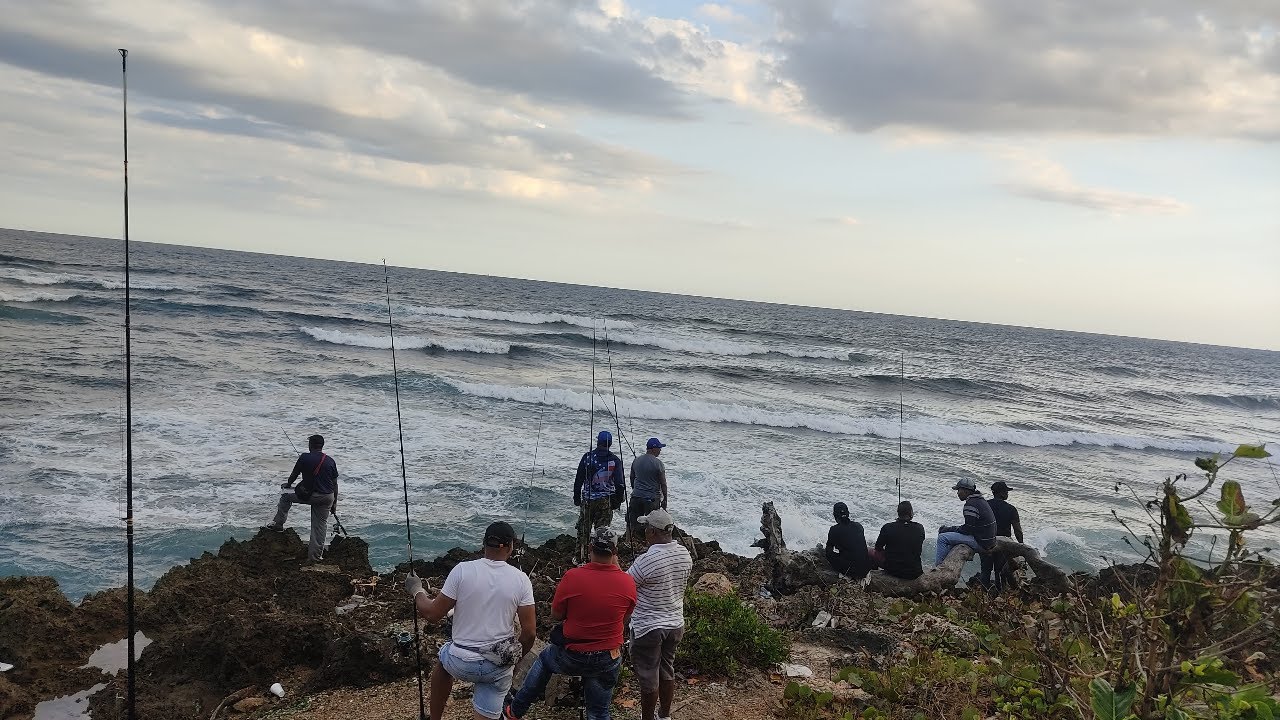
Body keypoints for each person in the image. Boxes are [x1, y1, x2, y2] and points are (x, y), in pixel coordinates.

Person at [406, 521, 536, 720]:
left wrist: (416, 589)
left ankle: (435, 718)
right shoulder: (521, 580)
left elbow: (432, 614)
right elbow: (530, 633)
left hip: (460, 661)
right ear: (511, 546)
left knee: (443, 661)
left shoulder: (462, 570)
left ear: (483, 543)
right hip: (497, 666)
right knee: (493, 692)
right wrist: (515, 659)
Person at [505, 527, 636, 720]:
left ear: (590, 547)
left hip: (573, 655)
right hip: (608, 657)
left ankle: (516, 710)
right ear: (615, 552)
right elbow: (624, 620)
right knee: (599, 712)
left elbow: (556, 615)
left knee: (544, 659)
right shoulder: (628, 582)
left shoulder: (573, 576)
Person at [626, 509, 693, 720]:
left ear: (653, 532)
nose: (645, 531)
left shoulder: (646, 561)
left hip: (648, 627)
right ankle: (664, 716)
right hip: (675, 624)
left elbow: (625, 587)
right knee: (667, 670)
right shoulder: (684, 554)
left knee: (648, 677)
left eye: (647, 527)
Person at [262, 434, 338, 562]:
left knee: (286, 496)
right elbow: (335, 484)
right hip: (327, 497)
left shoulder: (304, 457)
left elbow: (294, 475)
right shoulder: (330, 461)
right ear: (322, 446)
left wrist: (288, 485)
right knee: (319, 527)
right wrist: (334, 504)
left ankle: (278, 524)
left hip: (312, 495)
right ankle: (315, 558)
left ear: (310, 445)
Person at [575, 430, 625, 559]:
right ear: (610, 444)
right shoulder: (615, 460)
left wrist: (576, 498)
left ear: (598, 442)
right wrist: (618, 500)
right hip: (605, 501)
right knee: (602, 533)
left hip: (588, 500)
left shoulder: (587, 457)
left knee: (583, 530)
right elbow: (620, 484)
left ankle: (580, 557)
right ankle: (598, 558)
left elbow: (579, 479)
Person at [935, 478, 998, 575]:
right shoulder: (980, 500)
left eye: (959, 490)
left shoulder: (970, 504)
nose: (957, 493)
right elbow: (970, 527)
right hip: (989, 541)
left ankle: (938, 570)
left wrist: (949, 529)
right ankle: (945, 564)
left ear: (966, 491)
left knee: (942, 538)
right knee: (950, 538)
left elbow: (967, 529)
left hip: (981, 543)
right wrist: (952, 529)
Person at [983, 480, 1025, 588]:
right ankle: (1000, 592)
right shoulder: (1011, 509)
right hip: (1003, 542)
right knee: (999, 570)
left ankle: (984, 591)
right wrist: (1021, 545)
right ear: (1001, 493)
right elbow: (1017, 530)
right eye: (1006, 491)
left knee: (986, 570)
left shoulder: (985, 505)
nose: (1007, 494)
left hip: (986, 541)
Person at [626, 438, 668, 542]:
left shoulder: (636, 460)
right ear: (653, 448)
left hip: (636, 496)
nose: (660, 450)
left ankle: (628, 541)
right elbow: (663, 483)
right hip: (651, 499)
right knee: (653, 524)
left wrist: (635, 489)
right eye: (659, 448)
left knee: (632, 522)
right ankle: (650, 544)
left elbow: (632, 477)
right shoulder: (658, 463)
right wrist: (665, 499)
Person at [874, 501, 925, 580]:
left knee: (870, 551)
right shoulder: (920, 528)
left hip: (893, 570)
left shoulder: (887, 527)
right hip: (914, 572)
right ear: (911, 513)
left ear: (898, 513)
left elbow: (878, 548)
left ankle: (872, 577)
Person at [824, 502, 871, 580]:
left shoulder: (834, 529)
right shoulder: (858, 526)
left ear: (835, 515)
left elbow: (829, 551)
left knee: (830, 554)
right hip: (865, 569)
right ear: (848, 513)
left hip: (850, 570)